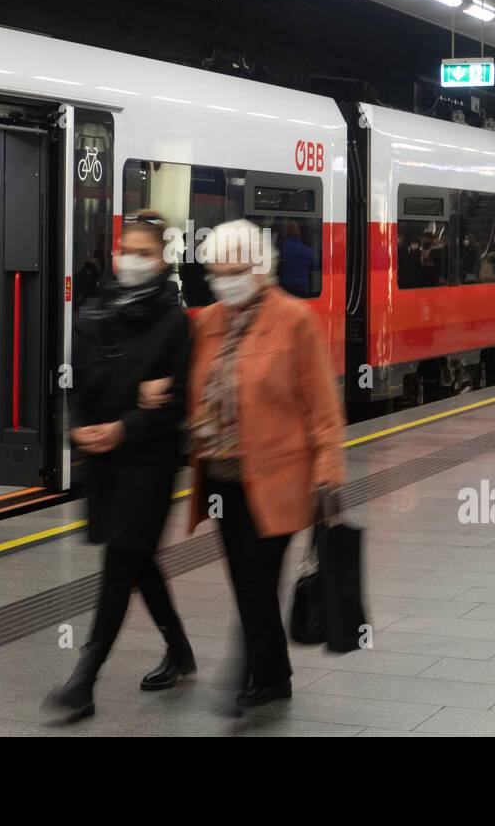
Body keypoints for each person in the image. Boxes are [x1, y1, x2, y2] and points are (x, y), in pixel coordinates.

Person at [187, 218, 345, 710]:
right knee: (244, 579)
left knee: (256, 580)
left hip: (279, 479)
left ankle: (255, 674)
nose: (224, 279)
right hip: (222, 479)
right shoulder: (209, 321)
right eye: (216, 271)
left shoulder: (294, 320)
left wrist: (328, 476)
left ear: (259, 268)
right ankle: (273, 670)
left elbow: (323, 409)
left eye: (234, 269)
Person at [47, 210, 195, 721]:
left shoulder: (174, 322)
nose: (131, 259)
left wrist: (124, 427)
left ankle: (84, 679)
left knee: (120, 563)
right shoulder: (98, 307)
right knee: (137, 558)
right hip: (106, 462)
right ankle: (179, 648)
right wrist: (80, 425)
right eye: (126, 249)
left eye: (143, 252)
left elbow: (174, 406)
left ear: (162, 261)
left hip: (149, 465)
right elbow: (80, 377)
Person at [277, 220, 314, 298]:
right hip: (302, 285)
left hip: (286, 283)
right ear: (298, 232)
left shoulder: (281, 248)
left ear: (285, 232)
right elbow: (314, 265)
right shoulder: (306, 250)